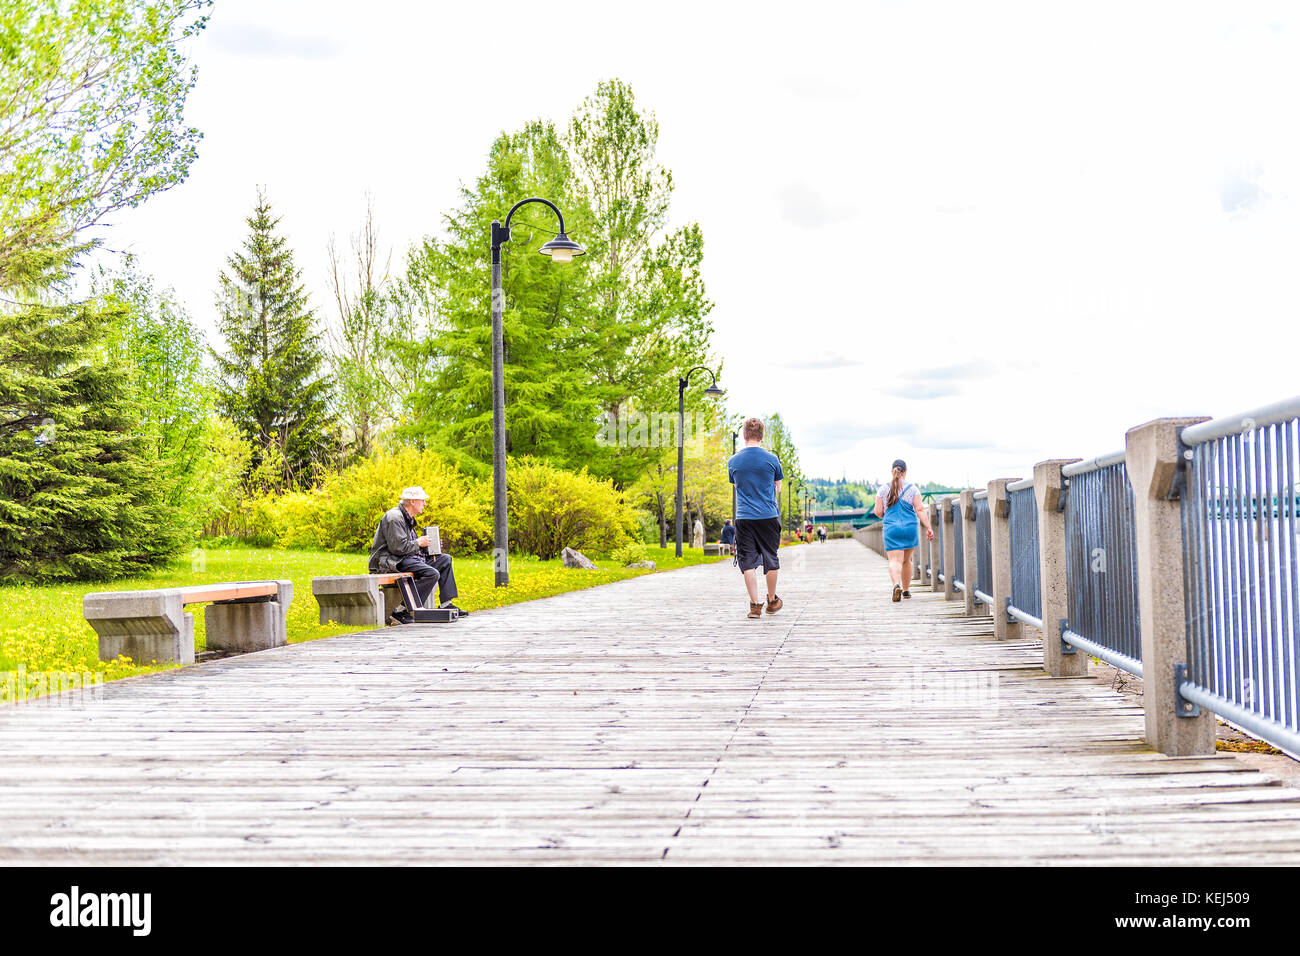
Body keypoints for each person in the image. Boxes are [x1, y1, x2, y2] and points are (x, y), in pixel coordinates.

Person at [369, 486, 468, 622]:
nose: (425, 504)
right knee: (432, 573)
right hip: (391, 562)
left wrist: (427, 546)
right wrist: (419, 542)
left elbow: (408, 547)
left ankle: (446, 604)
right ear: (413, 501)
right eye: (423, 500)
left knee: (445, 559)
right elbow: (397, 548)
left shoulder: (406, 516)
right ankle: (401, 611)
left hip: (403, 558)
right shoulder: (395, 517)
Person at [726, 417, 784, 619]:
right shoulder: (772, 460)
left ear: (744, 435)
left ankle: (754, 605)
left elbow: (736, 484)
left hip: (744, 517)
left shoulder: (733, 461)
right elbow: (777, 487)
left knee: (748, 561)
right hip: (768, 515)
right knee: (771, 557)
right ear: (762, 435)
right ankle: (772, 600)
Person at [872, 459, 934, 602]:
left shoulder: (882, 489)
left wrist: (886, 516)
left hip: (891, 528)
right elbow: (919, 509)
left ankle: (896, 585)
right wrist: (929, 527)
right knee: (907, 560)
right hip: (910, 527)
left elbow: (878, 511)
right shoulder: (912, 489)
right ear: (905, 472)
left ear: (892, 471)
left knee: (895, 560)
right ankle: (906, 591)